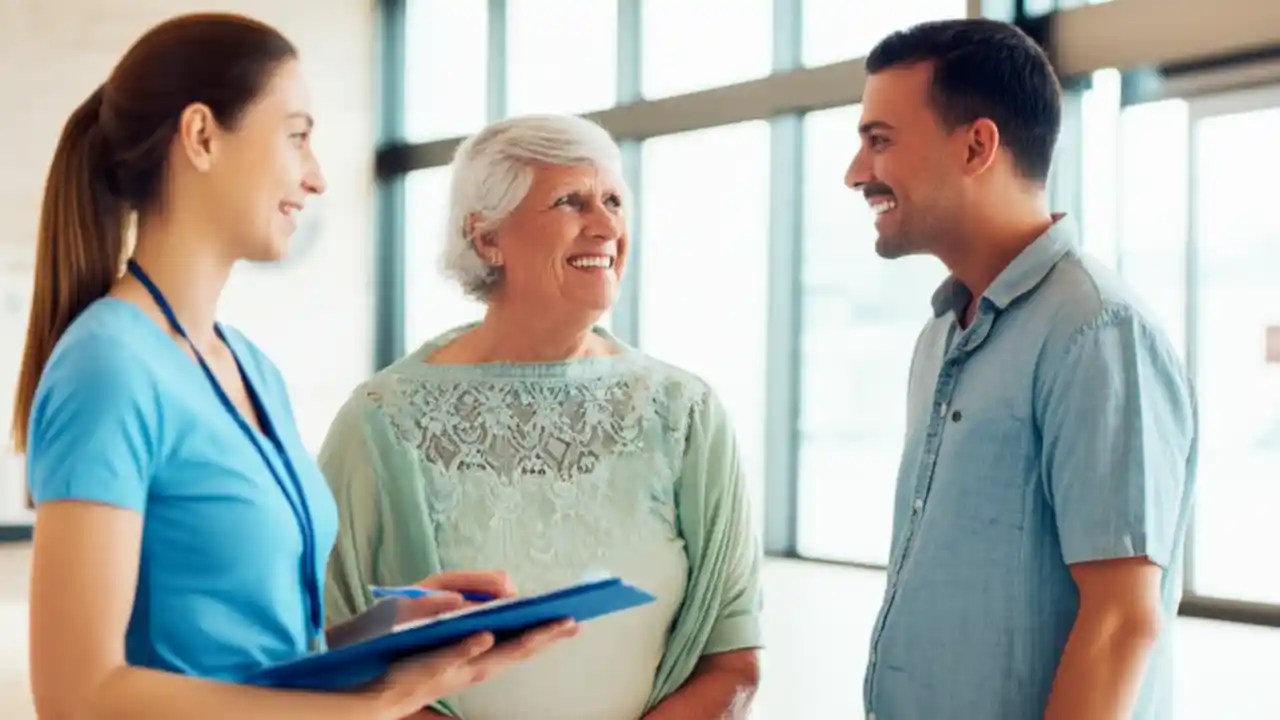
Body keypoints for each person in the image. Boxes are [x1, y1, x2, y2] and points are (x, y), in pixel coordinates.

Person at [14, 14, 575, 720]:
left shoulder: (249, 367)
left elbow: (254, 664)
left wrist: (386, 636)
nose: (314, 178)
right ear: (201, 136)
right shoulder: (108, 369)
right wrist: (369, 708)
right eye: (298, 136)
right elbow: (76, 695)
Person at [319, 113, 763, 720]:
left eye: (613, 199)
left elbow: (731, 658)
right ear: (486, 237)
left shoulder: (687, 414)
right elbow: (338, 651)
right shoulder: (379, 422)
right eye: (570, 202)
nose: (606, 224)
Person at [845, 19, 1197, 720]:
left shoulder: (1096, 332)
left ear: (977, 145)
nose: (856, 173)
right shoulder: (940, 334)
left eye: (879, 140)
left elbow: (1121, 621)